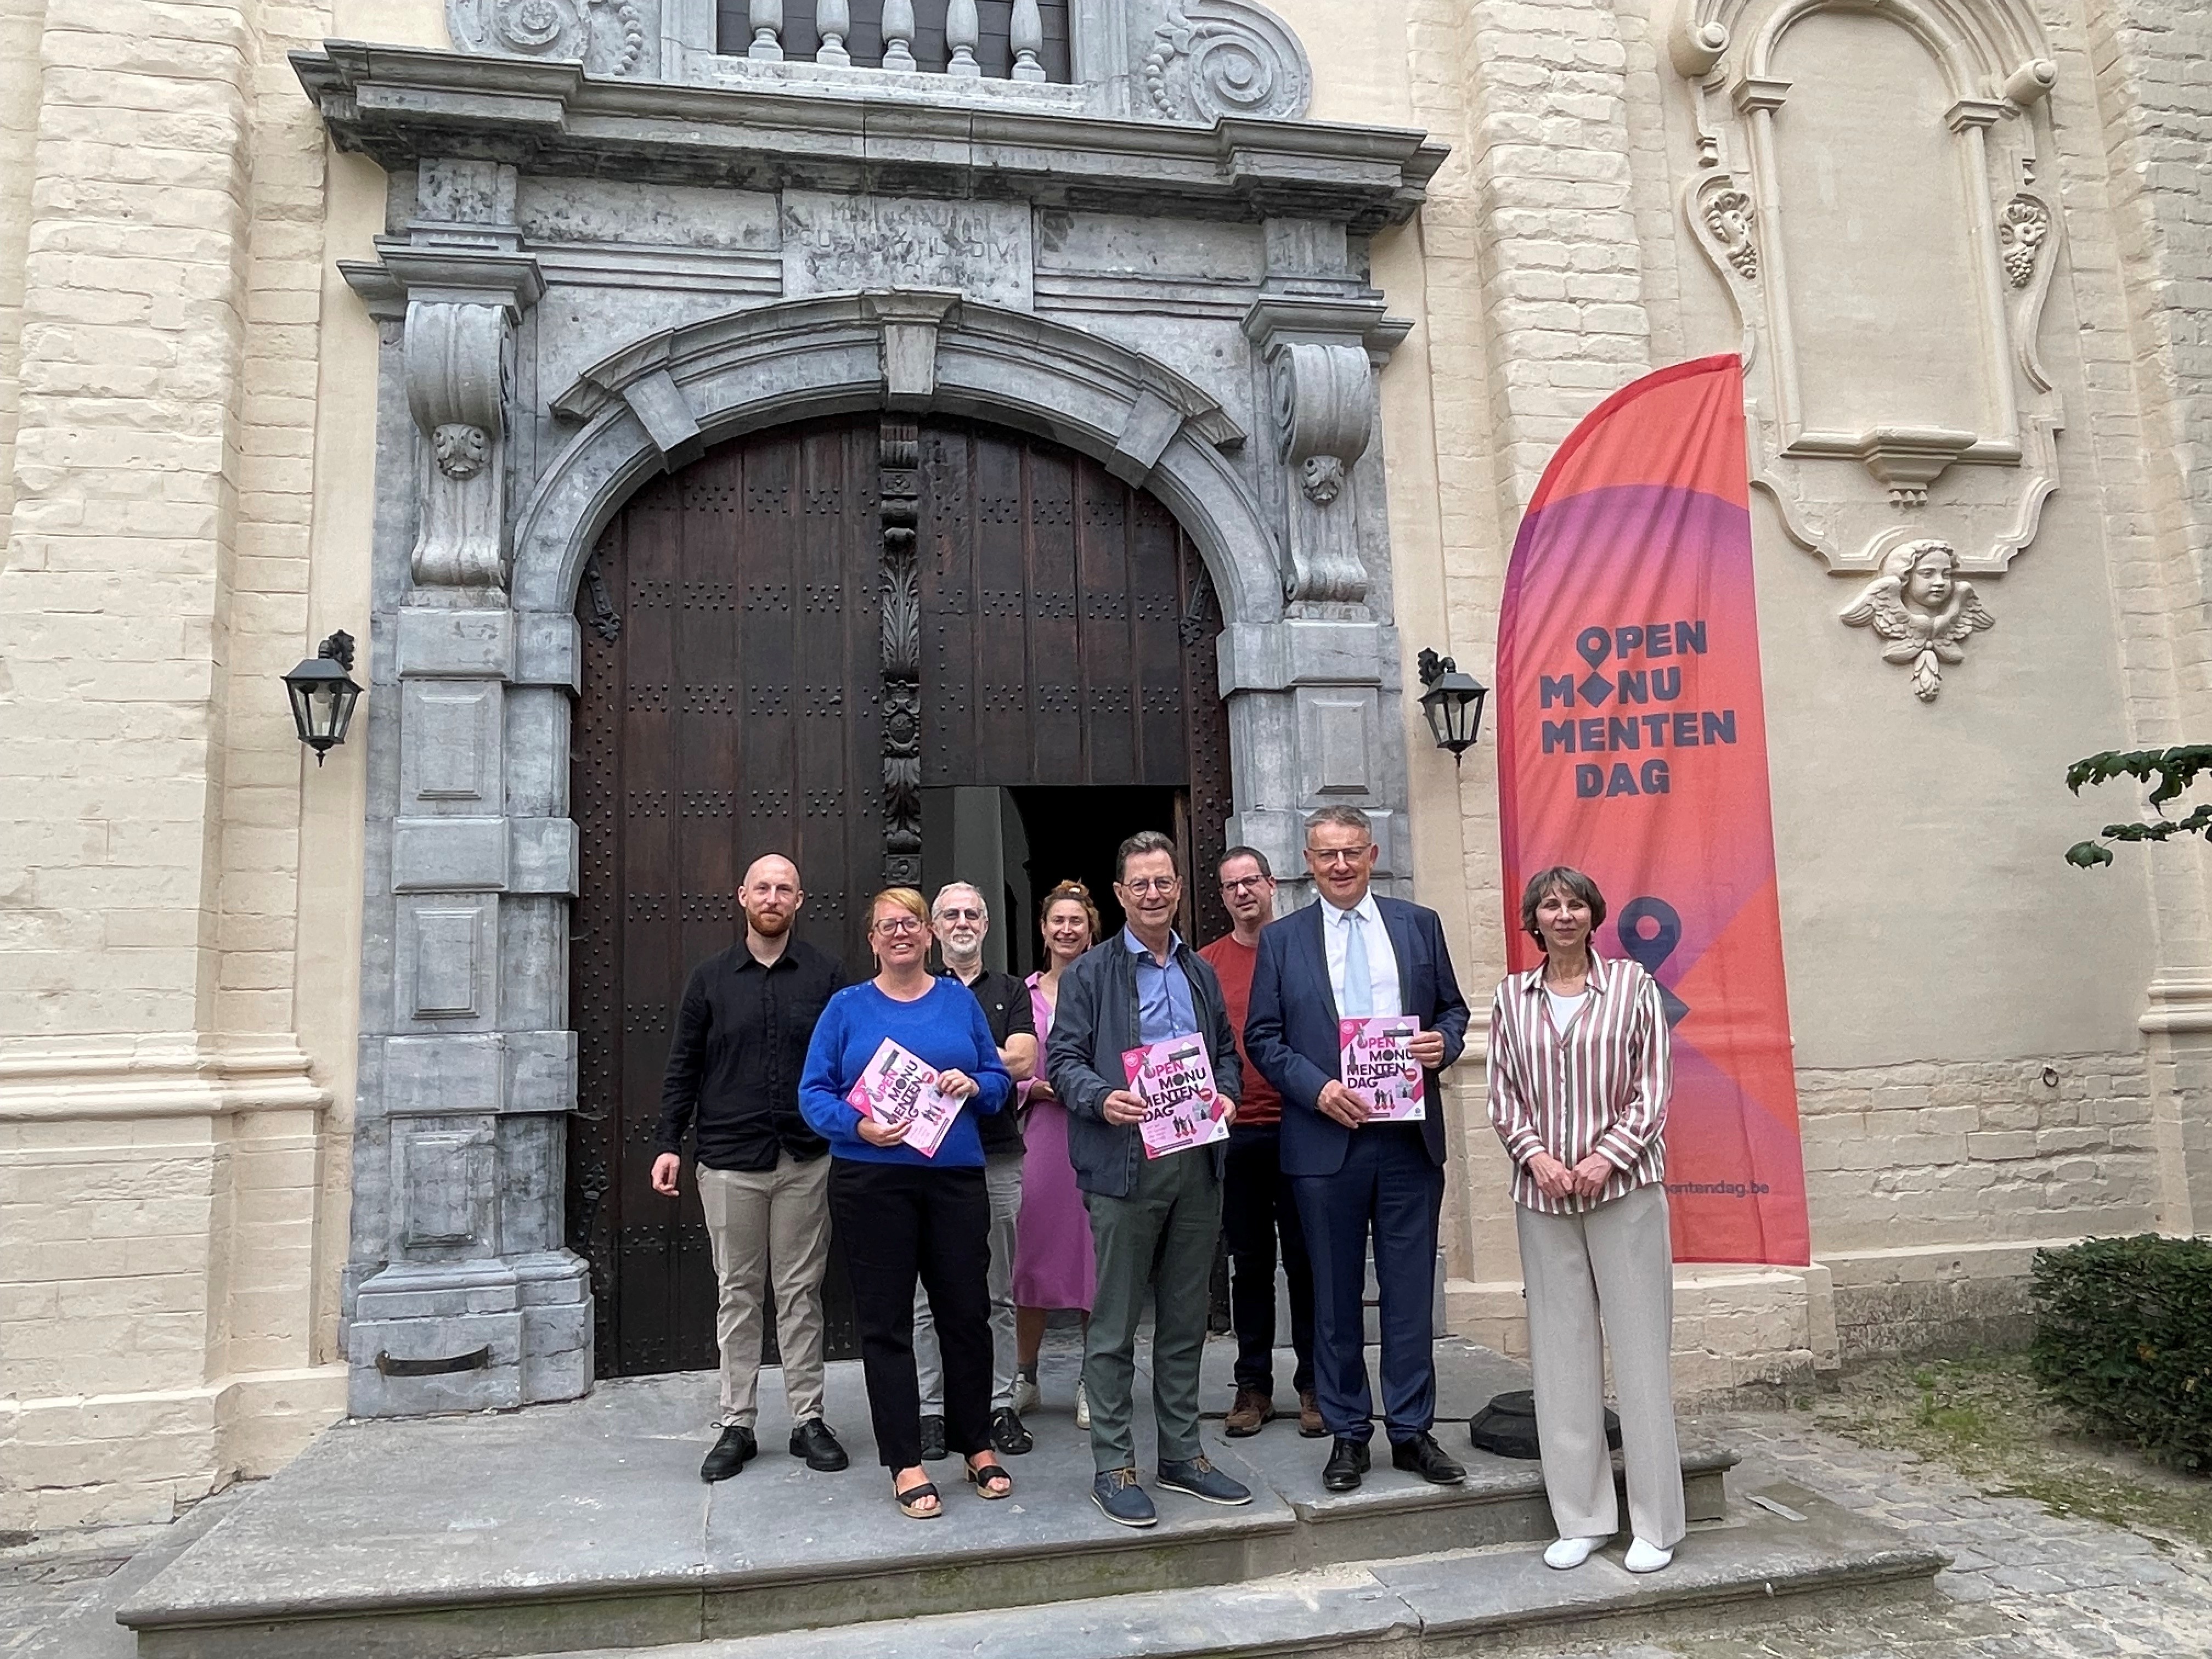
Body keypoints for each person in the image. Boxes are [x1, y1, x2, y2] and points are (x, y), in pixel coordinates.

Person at [1245, 806, 1471, 1493]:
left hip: (1406, 1140)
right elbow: (1264, 1037)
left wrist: (1445, 1045)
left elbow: (1454, 1012)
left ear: (1372, 854)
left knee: (1408, 1292)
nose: (1340, 866)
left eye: (1351, 853)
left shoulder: (1418, 925)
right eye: (1325, 855)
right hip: (1324, 1139)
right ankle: (1347, 1434)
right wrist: (1316, 1091)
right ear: (1306, 864)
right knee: (1334, 1296)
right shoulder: (1282, 940)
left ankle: (1411, 1430)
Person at [1048, 831, 1254, 1527]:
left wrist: (1226, 1094)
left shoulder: (1197, 972)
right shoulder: (1090, 974)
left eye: (1164, 882)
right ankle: (1114, 1465)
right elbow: (1062, 1060)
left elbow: (1226, 1053)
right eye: (1140, 884)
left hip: (1196, 1161)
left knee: (1186, 1318)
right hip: (1123, 1163)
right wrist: (1103, 1098)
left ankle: (1183, 1455)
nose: (1154, 894)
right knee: (1113, 1324)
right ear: (1120, 893)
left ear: (1177, 888)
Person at [1486, 866, 1683, 1574]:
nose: (1563, 914)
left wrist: (1605, 1159)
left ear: (1593, 914)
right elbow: (1502, 1094)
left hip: (1624, 1193)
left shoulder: (1631, 985)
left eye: (1574, 904)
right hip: (1544, 1198)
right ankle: (1583, 1517)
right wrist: (1537, 1158)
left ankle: (1656, 1525)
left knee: (1639, 1358)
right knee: (1562, 1361)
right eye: (1550, 904)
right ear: (1533, 919)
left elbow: (1654, 1086)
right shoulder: (1512, 996)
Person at [798, 888, 1015, 1520]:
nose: (900, 933)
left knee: (966, 1314)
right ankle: (906, 1460)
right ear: (872, 939)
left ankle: (976, 1442)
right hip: (871, 1181)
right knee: (886, 1323)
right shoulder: (846, 1008)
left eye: (911, 924)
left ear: (929, 937)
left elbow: (1000, 1082)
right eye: (887, 925)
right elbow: (813, 1093)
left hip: (952, 1180)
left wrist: (975, 1083)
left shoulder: (958, 1001)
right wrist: (855, 1126)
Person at [654, 854, 850, 1482]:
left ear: (799, 900)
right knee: (737, 1294)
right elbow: (684, 1065)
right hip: (729, 1160)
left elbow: (847, 1066)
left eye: (784, 888)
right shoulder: (711, 979)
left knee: (800, 1293)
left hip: (804, 1159)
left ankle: (807, 1420)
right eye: (762, 887)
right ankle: (737, 1422)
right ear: (742, 896)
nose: (772, 897)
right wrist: (667, 1142)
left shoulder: (825, 976)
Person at [1198, 847, 1321, 1439]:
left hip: (1302, 1127)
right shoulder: (1206, 965)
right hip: (1235, 1132)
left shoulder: (1303, 950)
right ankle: (1252, 1386)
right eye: (1231, 886)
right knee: (1248, 1266)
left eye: (1252, 881)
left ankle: (1315, 1384)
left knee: (1307, 1261)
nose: (1243, 892)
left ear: (1272, 885)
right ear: (1221, 897)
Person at [913, 882, 1038, 1460]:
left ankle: (1000, 1405)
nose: (962, 922)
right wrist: (987, 1060)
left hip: (995, 1153)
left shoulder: (1011, 990)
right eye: (951, 915)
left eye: (973, 914)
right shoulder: (917, 989)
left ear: (986, 926)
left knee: (998, 1290)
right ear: (934, 930)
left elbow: (1024, 1059)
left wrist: (952, 1059)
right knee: (924, 1294)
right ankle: (932, 1411)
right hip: (925, 1159)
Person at [1012, 881, 1099, 1429]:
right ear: (1043, 930)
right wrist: (1033, 1089)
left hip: (1096, 1133)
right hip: (1041, 1135)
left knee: (1097, 1257)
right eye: (1057, 921)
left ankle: (1096, 1379)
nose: (1066, 930)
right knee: (1033, 1253)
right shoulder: (1020, 996)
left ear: (1092, 931)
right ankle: (1026, 1375)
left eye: (1077, 921)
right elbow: (1003, 1063)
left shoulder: (1108, 989)